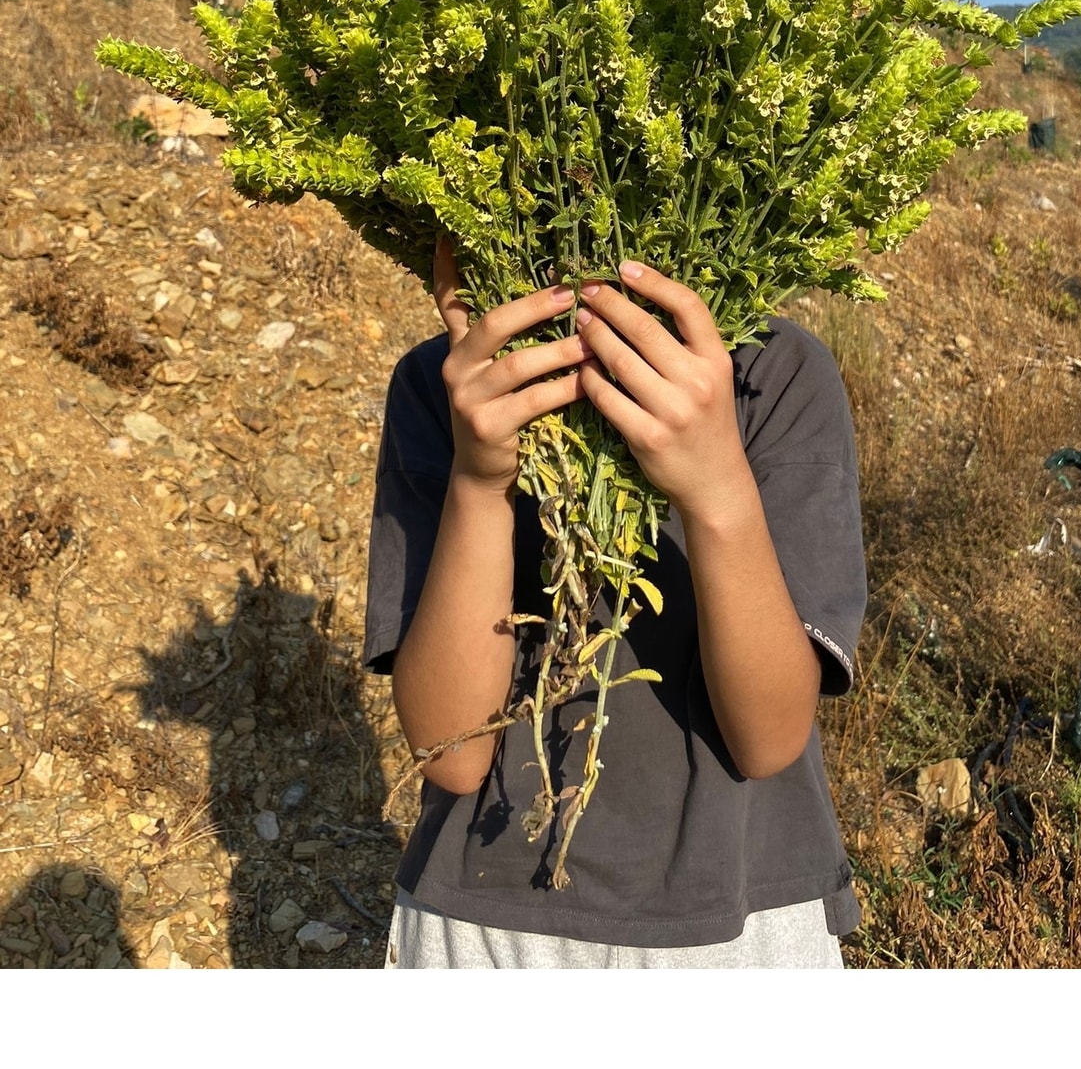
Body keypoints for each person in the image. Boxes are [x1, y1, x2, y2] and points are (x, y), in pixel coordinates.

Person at [363, 236, 868, 969]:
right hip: (486, 929)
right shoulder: (449, 385)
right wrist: (479, 481)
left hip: (738, 925)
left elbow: (769, 737)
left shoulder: (773, 374)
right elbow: (452, 754)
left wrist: (718, 485)